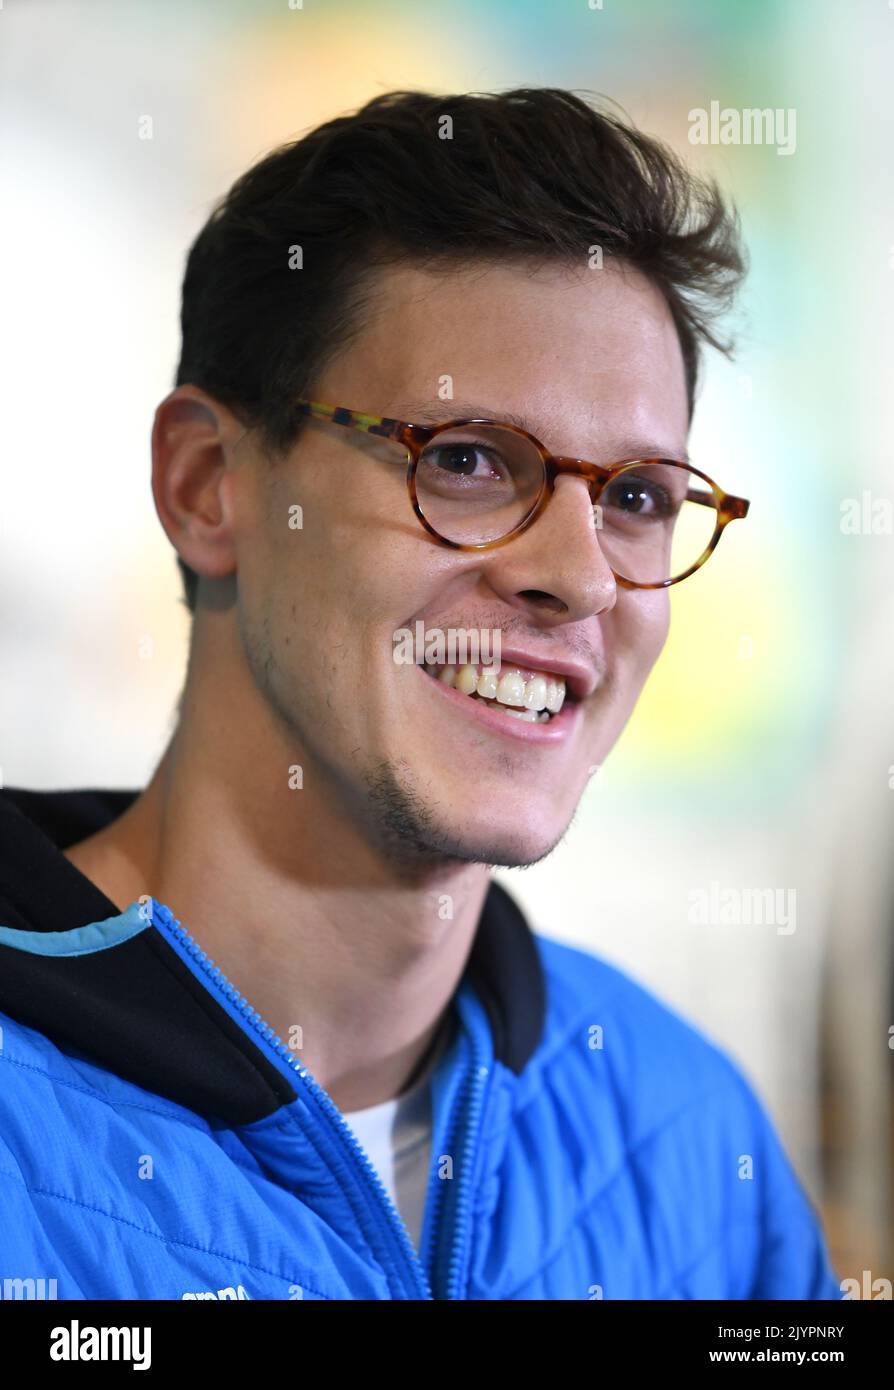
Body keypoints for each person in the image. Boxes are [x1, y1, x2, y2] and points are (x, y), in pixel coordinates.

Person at [0, 87, 840, 1300]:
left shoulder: (690, 1138)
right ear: (206, 486)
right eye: (466, 461)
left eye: (640, 497)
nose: (578, 577)